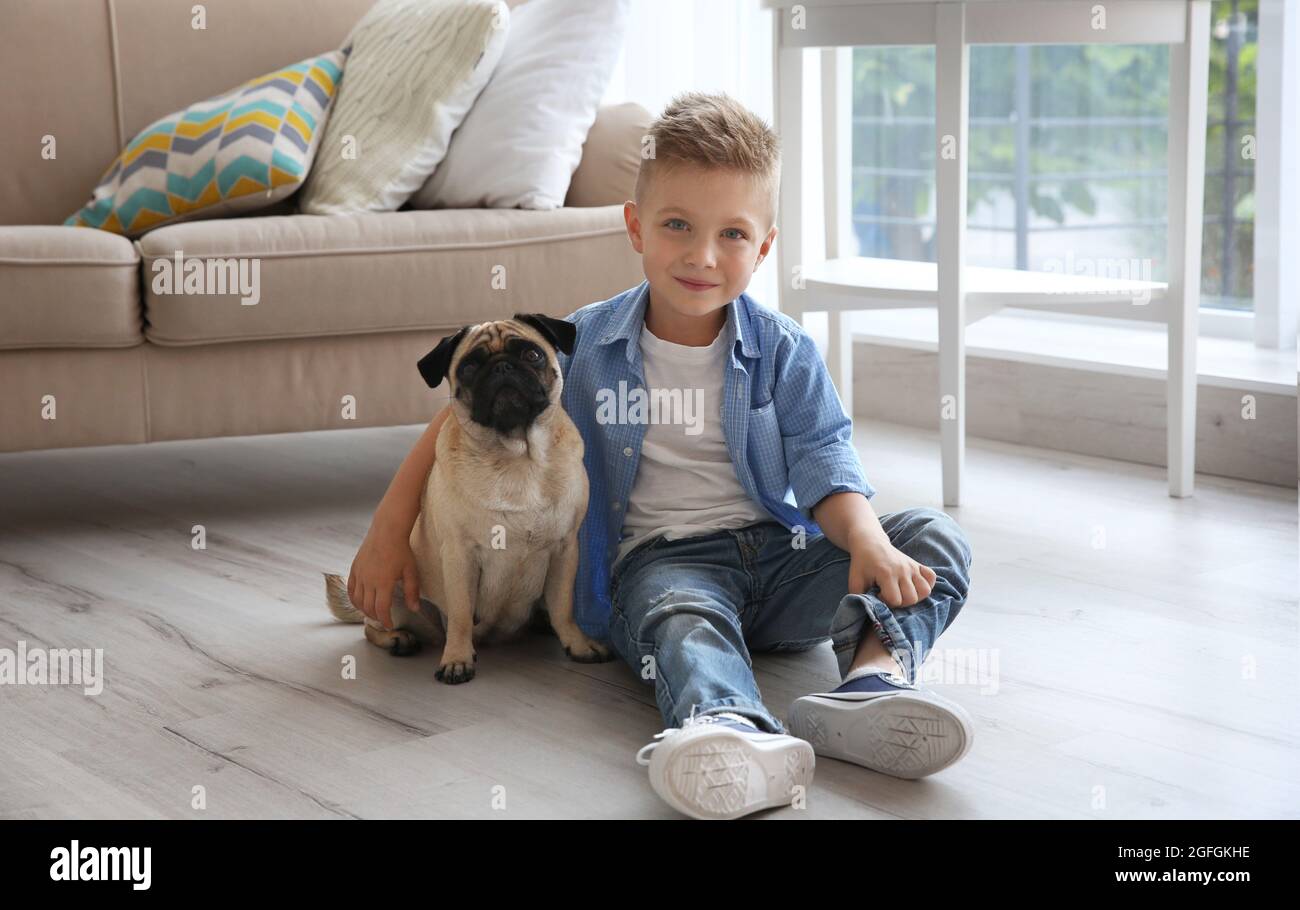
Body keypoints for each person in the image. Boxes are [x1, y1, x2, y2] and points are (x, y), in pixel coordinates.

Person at [349, 91, 975, 820]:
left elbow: (824, 457)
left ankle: (872, 680)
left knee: (931, 535)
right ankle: (728, 725)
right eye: (677, 225)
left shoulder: (785, 349)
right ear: (636, 228)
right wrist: (389, 529)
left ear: (764, 246)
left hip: (782, 557)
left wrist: (868, 541)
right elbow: (454, 424)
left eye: (733, 234)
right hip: (664, 562)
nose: (702, 256)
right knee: (682, 617)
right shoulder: (583, 343)